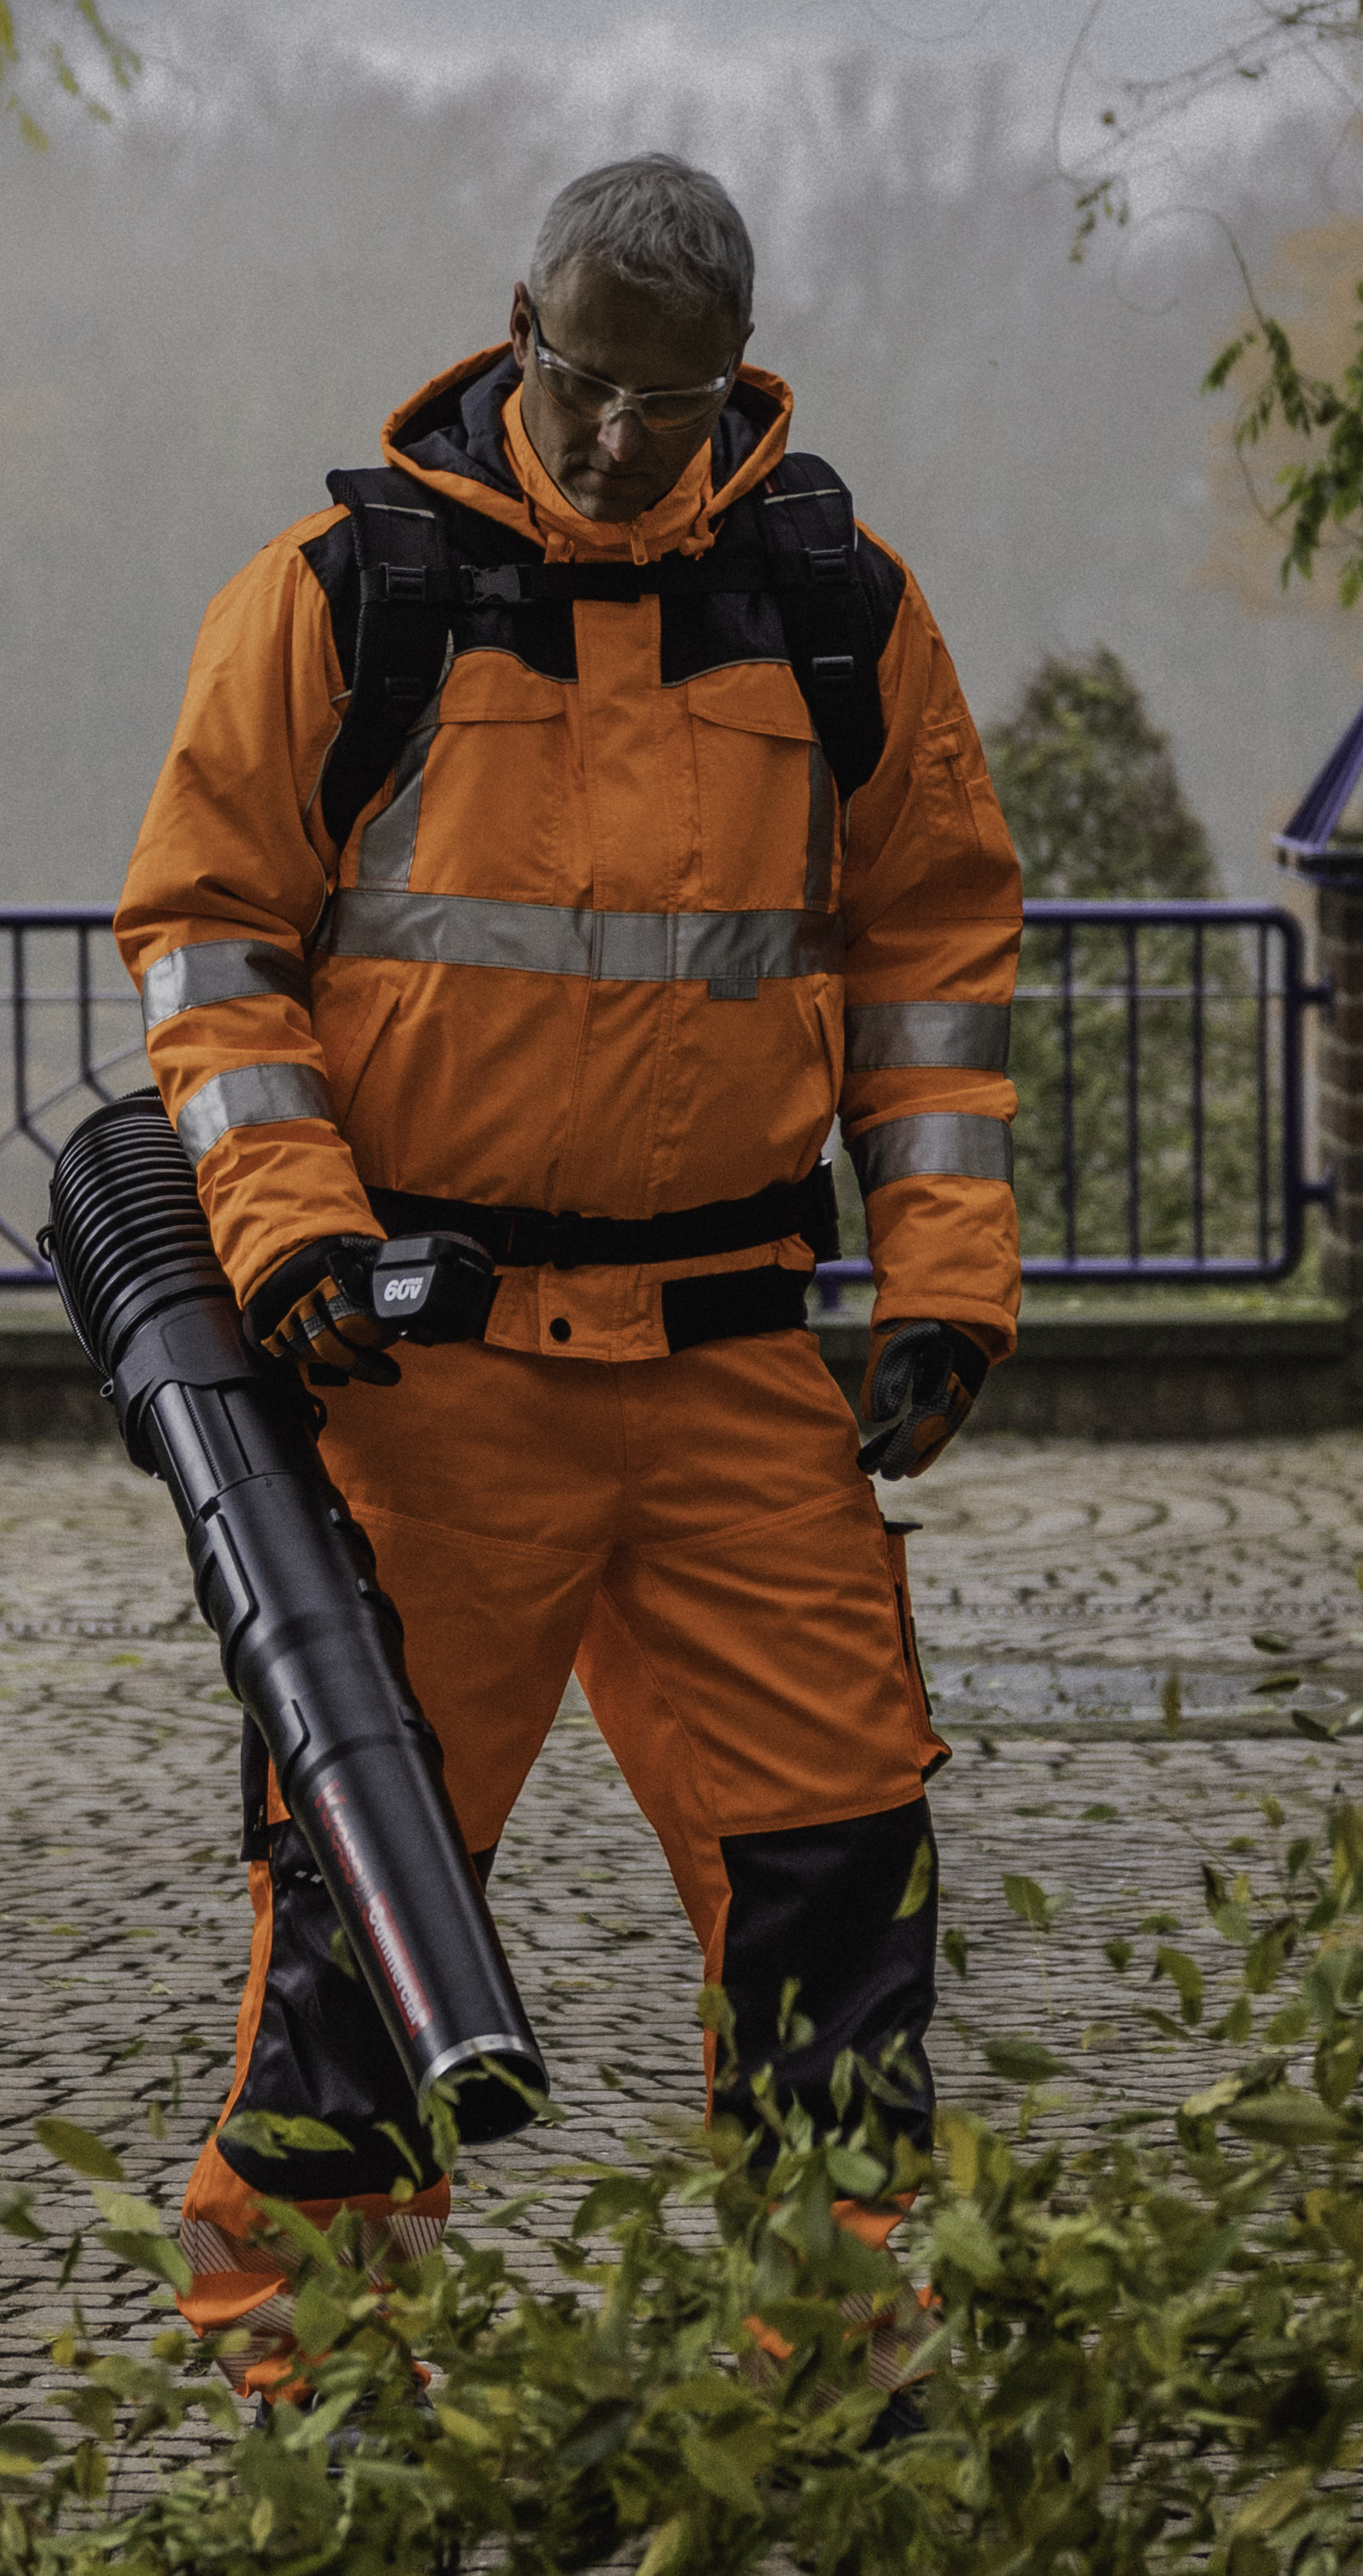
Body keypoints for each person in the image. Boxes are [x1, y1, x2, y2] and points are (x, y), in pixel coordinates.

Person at [115, 151, 1025, 2386]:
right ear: (516, 327)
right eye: (586, 377)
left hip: (732, 1363)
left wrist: (945, 1269)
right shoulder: (347, 593)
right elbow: (213, 943)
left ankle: (843, 2335)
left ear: (742, 378)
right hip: (432, 1378)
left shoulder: (843, 613)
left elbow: (930, 957)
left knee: (839, 1867)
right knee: (366, 1889)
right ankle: (316, 2363)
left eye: (676, 394)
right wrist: (291, 1222)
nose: (625, 433)